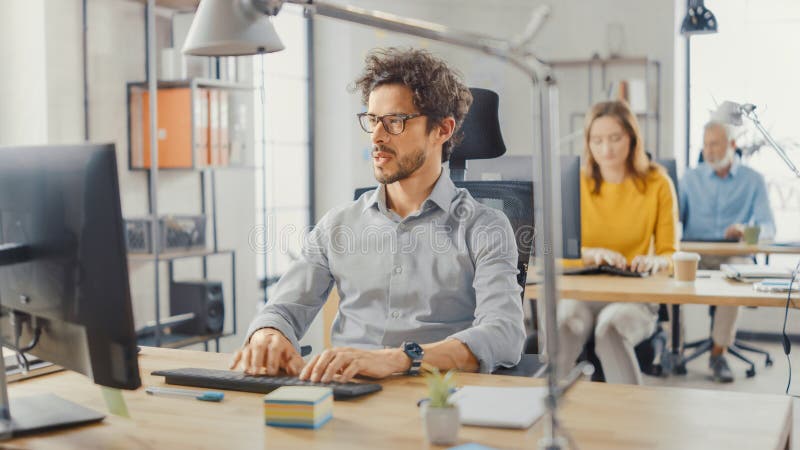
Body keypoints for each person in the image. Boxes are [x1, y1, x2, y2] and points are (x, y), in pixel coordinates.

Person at [231, 48, 525, 383]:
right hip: (345, 401)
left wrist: (400, 359)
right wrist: (268, 336)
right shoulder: (337, 226)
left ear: (442, 130)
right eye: (372, 120)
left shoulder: (485, 227)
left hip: (438, 402)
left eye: (395, 122)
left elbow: (505, 334)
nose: (377, 137)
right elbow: (282, 310)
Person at [553, 100, 678, 385]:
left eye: (615, 138)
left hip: (634, 296)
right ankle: (544, 413)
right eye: (597, 140)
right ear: (587, 143)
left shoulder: (658, 182)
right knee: (564, 326)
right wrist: (589, 254)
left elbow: (670, 254)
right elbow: (554, 253)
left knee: (610, 329)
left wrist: (655, 260)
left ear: (632, 139)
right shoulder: (575, 182)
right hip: (583, 294)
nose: (606, 149)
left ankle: (631, 418)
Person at [679, 120, 776, 383]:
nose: (708, 151)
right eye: (705, 145)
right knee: (670, 269)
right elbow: (673, 220)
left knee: (734, 275)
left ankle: (718, 352)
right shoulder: (690, 178)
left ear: (732, 145)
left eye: (715, 144)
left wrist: (746, 229)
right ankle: (672, 348)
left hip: (733, 253)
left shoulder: (753, 180)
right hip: (695, 251)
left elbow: (769, 227)